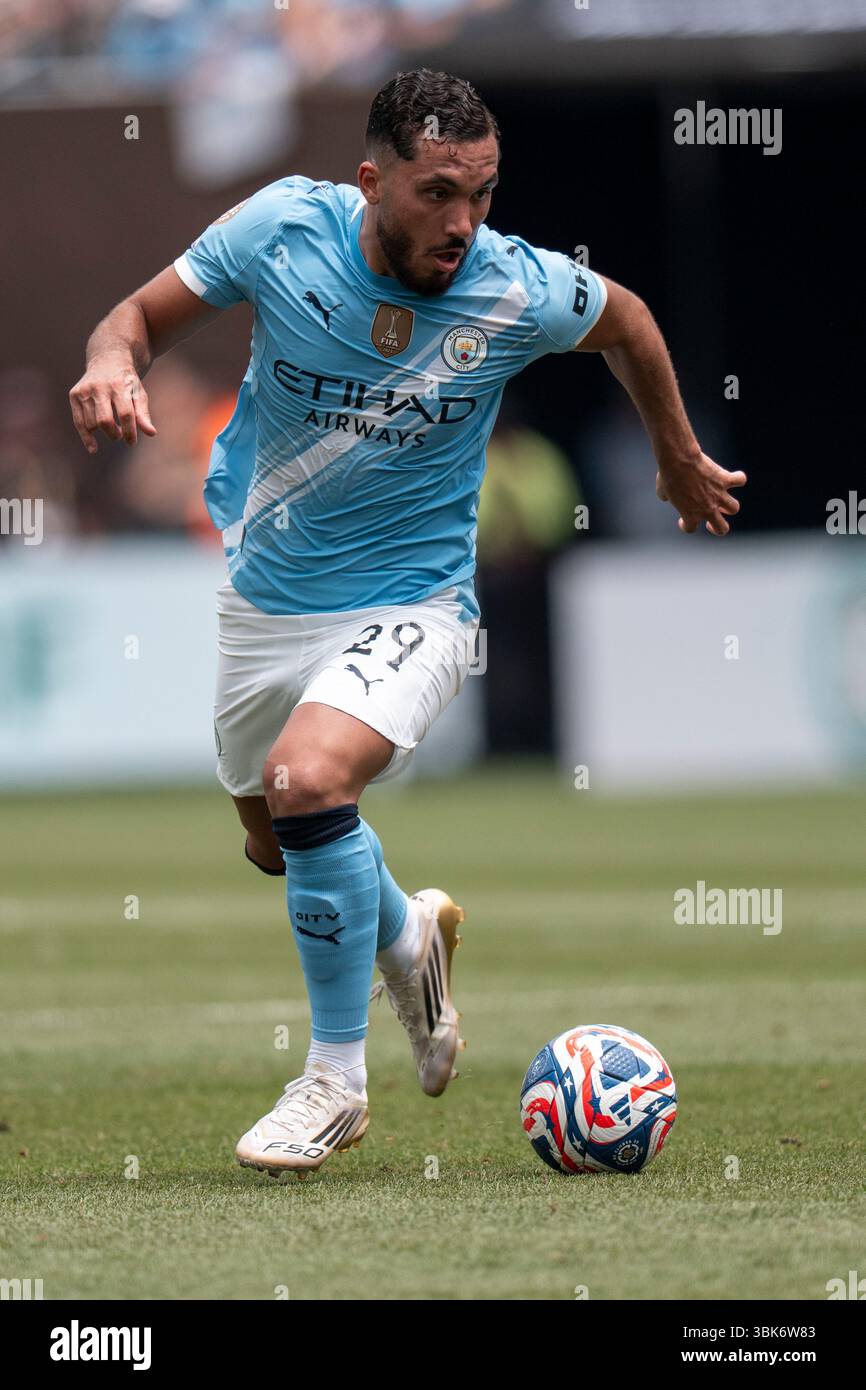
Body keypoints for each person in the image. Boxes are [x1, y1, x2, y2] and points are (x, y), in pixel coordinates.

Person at [68, 68, 746, 1177]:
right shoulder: (282, 228)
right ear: (371, 179)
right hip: (263, 596)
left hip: (414, 603)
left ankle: (332, 1079)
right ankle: (404, 935)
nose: (463, 222)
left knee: (306, 783)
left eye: (481, 192)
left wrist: (674, 453)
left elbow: (625, 318)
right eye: (438, 193)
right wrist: (108, 358)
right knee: (273, 843)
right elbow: (136, 316)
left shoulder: (511, 285)